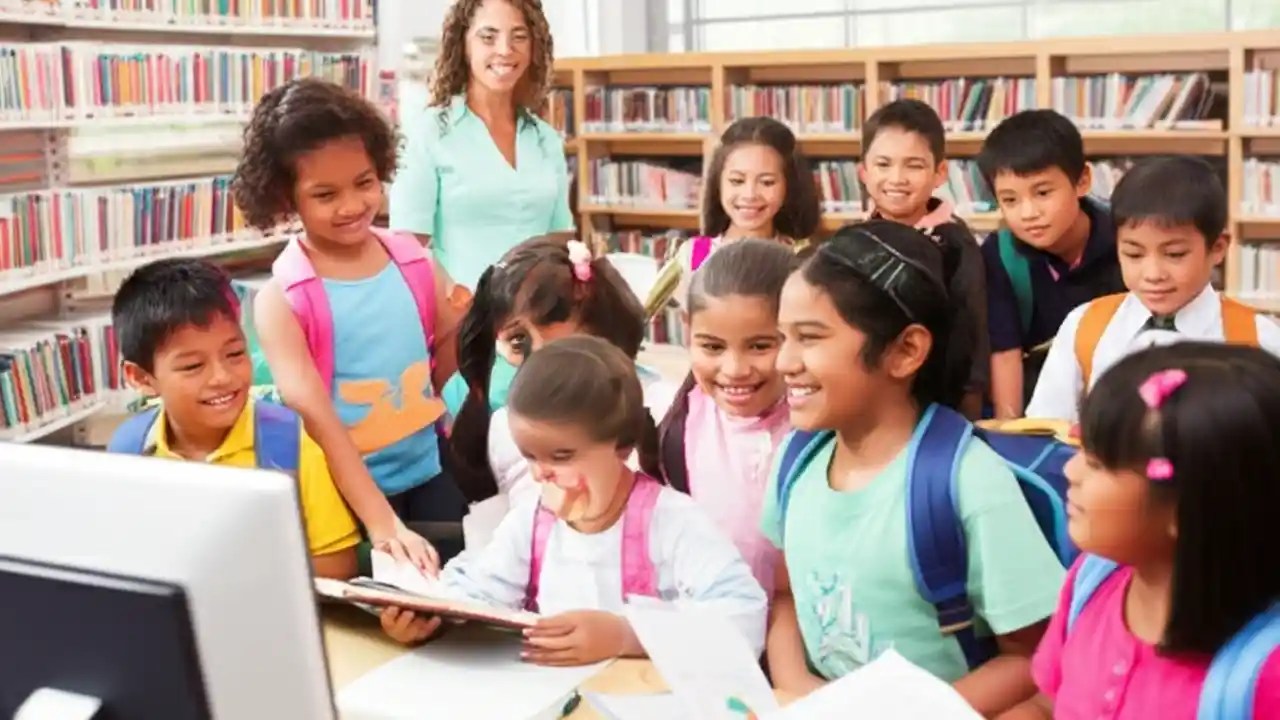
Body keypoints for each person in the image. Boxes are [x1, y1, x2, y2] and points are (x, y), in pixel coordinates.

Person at [762, 221, 1064, 715]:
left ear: (906, 351)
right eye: (782, 337)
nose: (784, 362)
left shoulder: (967, 483)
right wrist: (802, 689)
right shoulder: (795, 462)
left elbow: (1032, 658)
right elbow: (785, 596)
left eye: (810, 338)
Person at [380, 336, 768, 667]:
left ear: (622, 447)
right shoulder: (531, 523)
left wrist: (626, 637)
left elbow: (745, 619)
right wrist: (433, 619)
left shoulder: (671, 522)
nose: (539, 475)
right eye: (530, 456)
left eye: (560, 457)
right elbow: (480, 590)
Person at [233, 78, 469, 571]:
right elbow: (319, 423)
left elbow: (449, 351)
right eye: (325, 194)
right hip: (346, 497)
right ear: (285, 196)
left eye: (364, 183)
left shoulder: (415, 262)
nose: (352, 205)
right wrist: (381, 522)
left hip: (429, 470)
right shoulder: (283, 300)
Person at [1001, 343, 1280, 719]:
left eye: (1098, 464)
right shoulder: (1091, 581)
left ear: (1188, 506)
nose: (1070, 471)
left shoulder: (1264, 678)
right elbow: (1045, 704)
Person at [108, 258, 360, 580]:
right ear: (141, 378)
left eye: (235, 354)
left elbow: (335, 568)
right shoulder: (128, 452)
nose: (222, 377)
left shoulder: (291, 445)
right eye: (192, 366)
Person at [1027, 155, 1280, 422]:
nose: (1153, 275)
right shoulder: (1085, 326)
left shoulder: (1259, 339)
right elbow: (1047, 429)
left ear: (1217, 248)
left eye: (1175, 254)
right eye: (1134, 255)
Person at [451, 235, 677, 512]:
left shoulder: (663, 408)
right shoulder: (507, 427)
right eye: (519, 340)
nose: (541, 357)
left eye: (563, 347)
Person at [390, 0, 572, 290]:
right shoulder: (430, 132)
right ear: (463, 44)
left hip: (537, 319)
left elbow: (560, 240)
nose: (505, 49)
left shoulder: (545, 139)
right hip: (460, 319)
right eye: (488, 37)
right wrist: (456, 305)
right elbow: (407, 247)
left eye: (519, 37)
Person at [656, 239, 796, 597]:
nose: (735, 370)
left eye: (761, 346)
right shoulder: (679, 426)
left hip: (804, 636)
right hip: (715, 628)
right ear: (687, 330)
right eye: (712, 347)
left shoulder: (821, 428)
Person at [978, 109, 1124, 418]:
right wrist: (1012, 435)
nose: (1028, 213)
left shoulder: (1127, 242)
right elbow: (1005, 353)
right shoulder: (1000, 254)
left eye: (1043, 193)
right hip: (1039, 407)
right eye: (1010, 200)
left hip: (1119, 400)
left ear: (1082, 181)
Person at [860, 98, 990, 419]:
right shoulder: (855, 241)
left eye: (914, 165)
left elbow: (971, 329)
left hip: (938, 401)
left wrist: (968, 411)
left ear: (940, 172)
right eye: (883, 164)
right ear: (863, 171)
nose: (897, 178)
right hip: (867, 395)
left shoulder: (954, 243)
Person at [644, 116, 821, 317]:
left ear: (789, 186)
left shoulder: (802, 256)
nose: (750, 195)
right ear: (718, 184)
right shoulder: (696, 253)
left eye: (767, 182)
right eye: (737, 181)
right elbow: (638, 314)